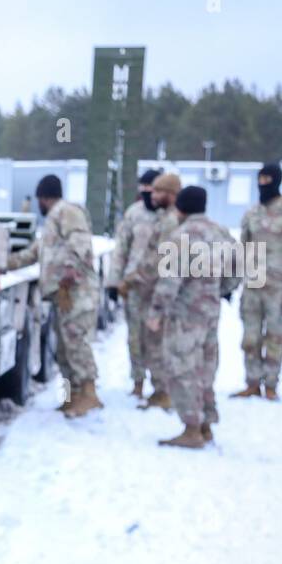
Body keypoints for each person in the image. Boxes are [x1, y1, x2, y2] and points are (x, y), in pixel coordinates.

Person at [147, 185, 241, 448]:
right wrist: (222, 289)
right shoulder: (220, 232)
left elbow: (169, 280)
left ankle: (191, 428)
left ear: (181, 208)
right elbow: (239, 265)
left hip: (185, 313)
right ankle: (206, 424)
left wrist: (156, 312)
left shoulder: (180, 236)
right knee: (206, 366)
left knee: (182, 367)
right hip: (211, 311)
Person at [0, 175, 100, 416]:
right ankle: (70, 397)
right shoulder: (52, 224)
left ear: (44, 198)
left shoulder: (67, 211)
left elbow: (80, 243)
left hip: (75, 293)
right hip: (62, 296)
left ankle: (89, 394)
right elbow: (33, 254)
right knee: (64, 350)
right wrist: (3, 264)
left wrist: (67, 277)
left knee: (76, 344)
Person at [232, 162, 282, 401]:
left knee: (275, 336)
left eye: (268, 179)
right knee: (250, 337)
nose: (263, 184)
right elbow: (241, 250)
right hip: (252, 285)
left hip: (278, 287)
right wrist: (231, 281)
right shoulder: (251, 214)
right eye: (260, 179)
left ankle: (271, 384)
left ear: (277, 181)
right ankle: (252, 382)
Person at [111, 169, 162, 398]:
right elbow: (121, 249)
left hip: (161, 288)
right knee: (135, 337)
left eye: (150, 188)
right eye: (142, 188)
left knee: (158, 337)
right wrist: (114, 281)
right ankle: (138, 382)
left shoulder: (170, 216)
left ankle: (161, 385)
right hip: (133, 286)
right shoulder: (134, 214)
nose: (146, 193)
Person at [135, 172, 182, 410]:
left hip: (162, 292)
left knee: (158, 342)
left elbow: (166, 263)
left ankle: (164, 391)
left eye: (157, 191)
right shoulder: (165, 219)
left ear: (171, 195)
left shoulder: (172, 223)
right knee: (152, 341)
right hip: (152, 289)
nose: (151, 195)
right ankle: (160, 389)